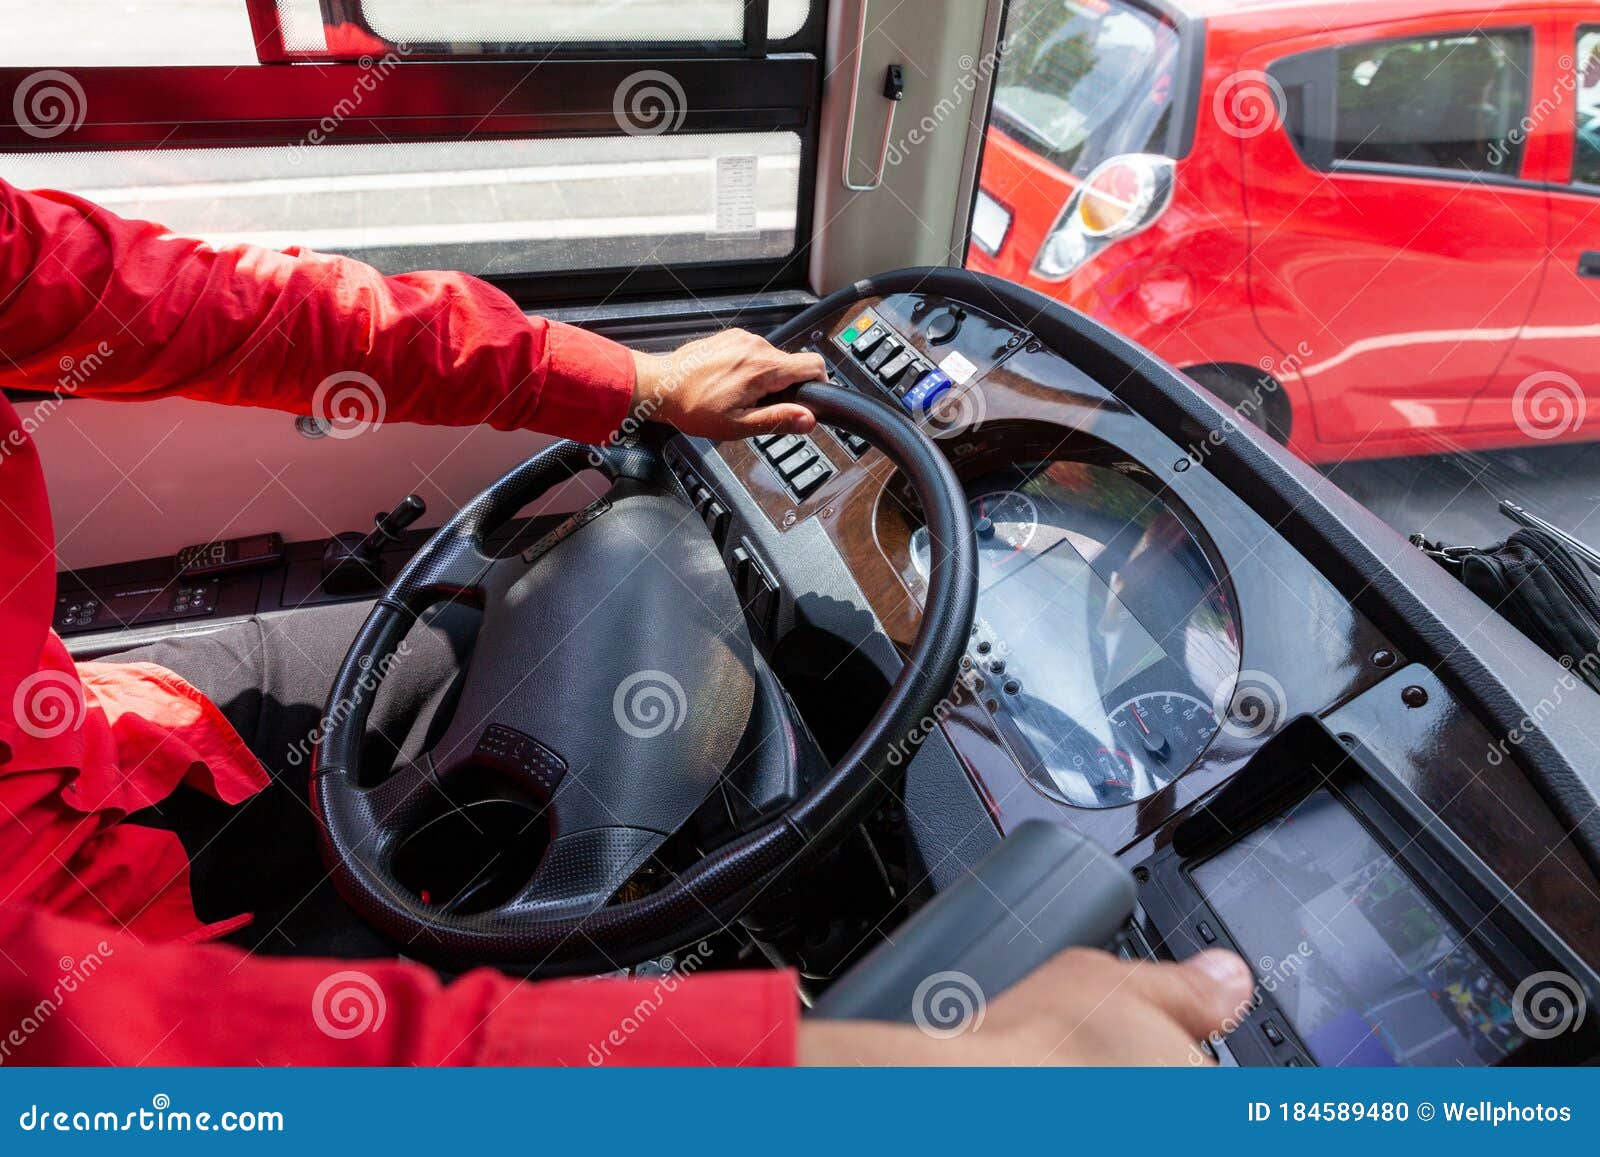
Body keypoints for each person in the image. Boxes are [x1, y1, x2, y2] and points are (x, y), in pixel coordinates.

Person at [0, 176, 1253, 1066]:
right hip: (91, 961)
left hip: (92, 737)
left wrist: (626, 383)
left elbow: (193, 301)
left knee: (523, 615)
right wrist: (839, 1071)